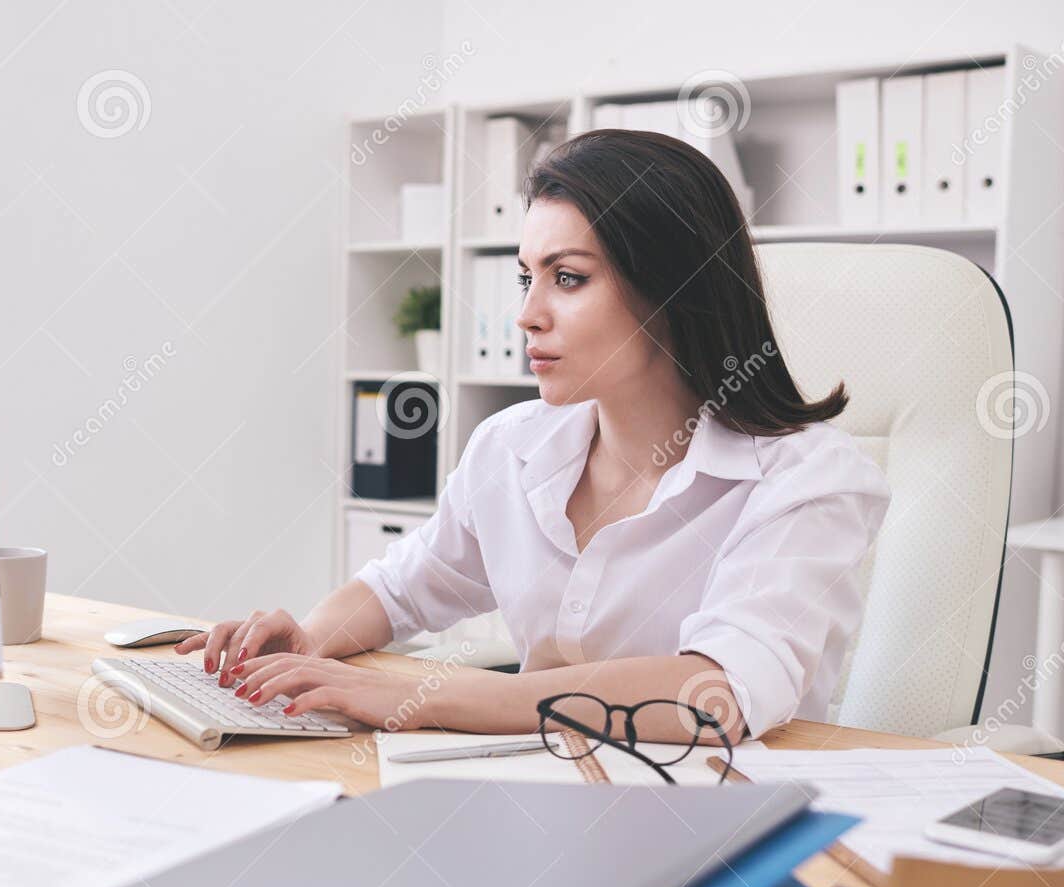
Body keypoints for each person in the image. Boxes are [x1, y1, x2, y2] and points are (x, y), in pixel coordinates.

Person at [175, 128, 891, 743]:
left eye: (568, 278)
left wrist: (426, 700)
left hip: (722, 830)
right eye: (526, 278)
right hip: (539, 798)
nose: (527, 314)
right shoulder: (510, 446)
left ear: (677, 291)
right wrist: (311, 636)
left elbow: (717, 693)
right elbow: (398, 590)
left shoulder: (809, 478)